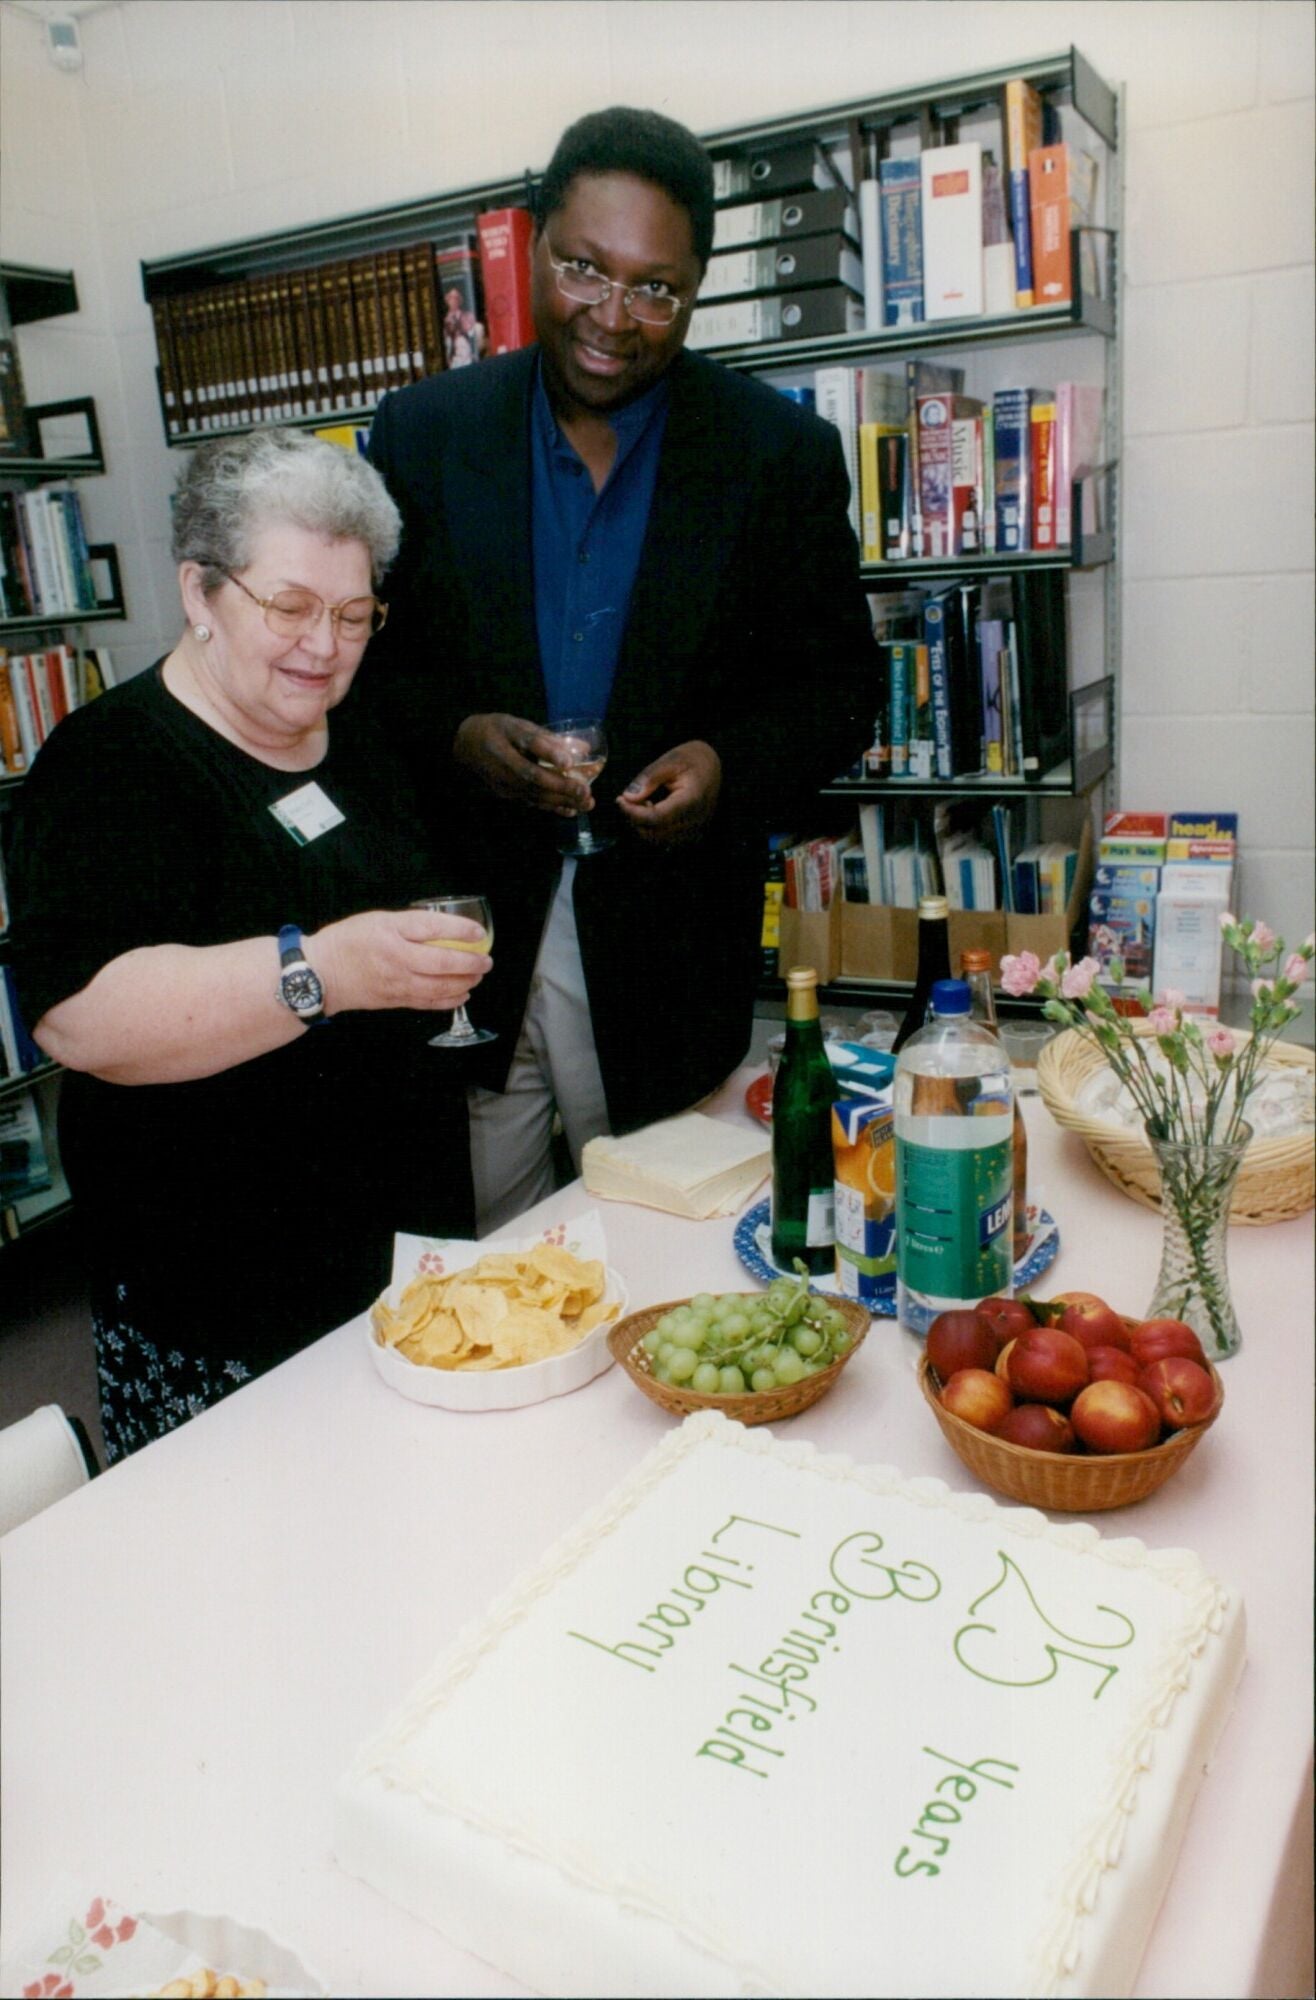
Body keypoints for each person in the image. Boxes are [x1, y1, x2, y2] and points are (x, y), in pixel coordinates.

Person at [367, 106, 876, 1233]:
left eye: (656, 288)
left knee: (658, 1244)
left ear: (695, 288)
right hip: (468, 937)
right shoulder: (422, 433)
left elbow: (845, 687)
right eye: (583, 270)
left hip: (665, 940)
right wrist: (457, 736)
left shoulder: (773, 454)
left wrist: (724, 762)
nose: (613, 318)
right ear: (534, 243)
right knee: (474, 1255)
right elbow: (363, 672)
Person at [7, 428, 490, 1462]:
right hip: (221, 1290)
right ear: (198, 591)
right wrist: (326, 970)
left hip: (396, 1251)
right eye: (290, 606)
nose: (325, 644)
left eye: (354, 615)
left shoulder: (365, 734)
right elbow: (80, 1013)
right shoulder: (111, 761)